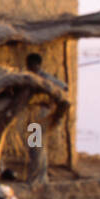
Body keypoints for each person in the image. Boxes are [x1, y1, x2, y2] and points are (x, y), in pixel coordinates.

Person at [24, 52, 68, 185]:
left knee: (36, 147)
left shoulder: (43, 78)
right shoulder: (34, 77)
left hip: (40, 116)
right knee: (36, 147)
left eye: (30, 65)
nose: (28, 67)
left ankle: (37, 179)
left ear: (36, 65)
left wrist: (50, 101)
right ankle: (38, 177)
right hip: (35, 116)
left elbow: (64, 87)